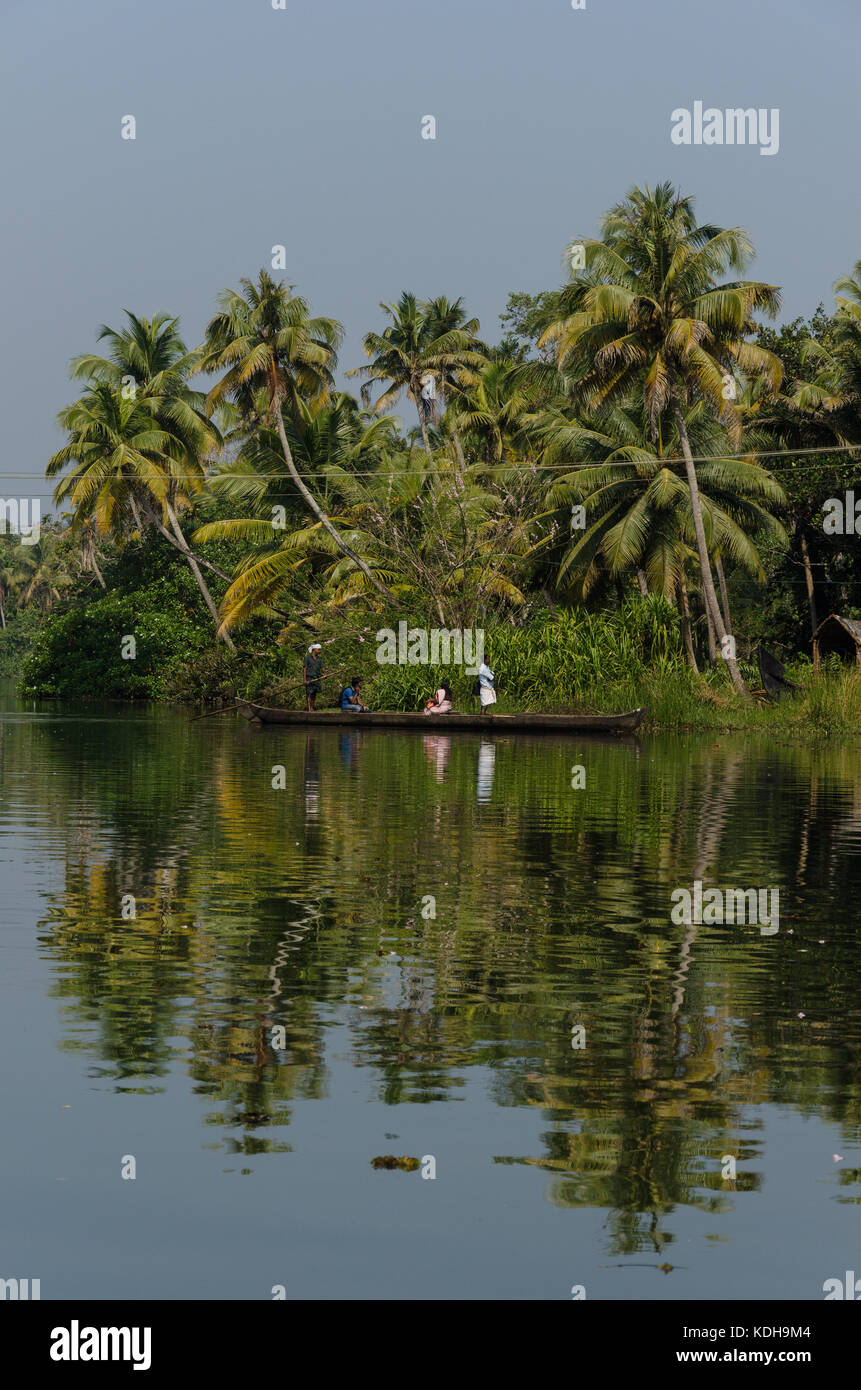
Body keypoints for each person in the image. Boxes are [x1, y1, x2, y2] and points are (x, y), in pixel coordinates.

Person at [303, 642, 324, 711]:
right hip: (309, 678)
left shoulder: (319, 660)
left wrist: (325, 674)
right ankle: (309, 709)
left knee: (314, 694)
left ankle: (312, 708)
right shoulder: (307, 658)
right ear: (314, 650)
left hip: (317, 678)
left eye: (320, 650)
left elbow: (322, 668)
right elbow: (305, 669)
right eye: (318, 650)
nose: (319, 651)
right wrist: (305, 680)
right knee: (309, 694)